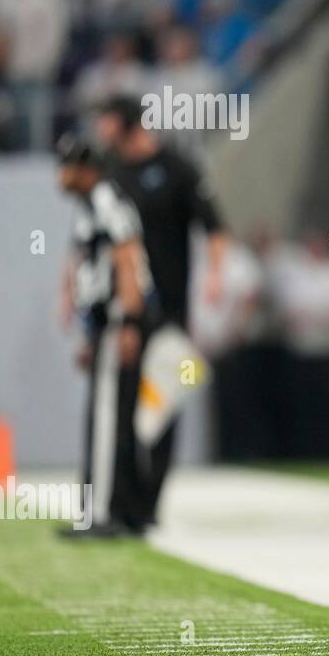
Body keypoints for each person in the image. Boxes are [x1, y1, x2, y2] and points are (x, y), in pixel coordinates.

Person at [94, 96, 227, 524]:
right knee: (124, 404)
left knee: (164, 401)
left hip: (171, 308)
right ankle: (125, 501)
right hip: (126, 308)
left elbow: (214, 226)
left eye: (108, 121)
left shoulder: (177, 167)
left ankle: (150, 500)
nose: (101, 130)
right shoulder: (112, 173)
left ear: (127, 122)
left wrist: (214, 276)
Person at [56, 134, 155, 537]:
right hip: (107, 324)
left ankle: (101, 513)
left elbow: (128, 260)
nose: (60, 175)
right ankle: (126, 509)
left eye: (67, 166)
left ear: (86, 169)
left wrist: (129, 321)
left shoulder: (106, 203)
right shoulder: (91, 206)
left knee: (106, 418)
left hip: (118, 320)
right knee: (111, 414)